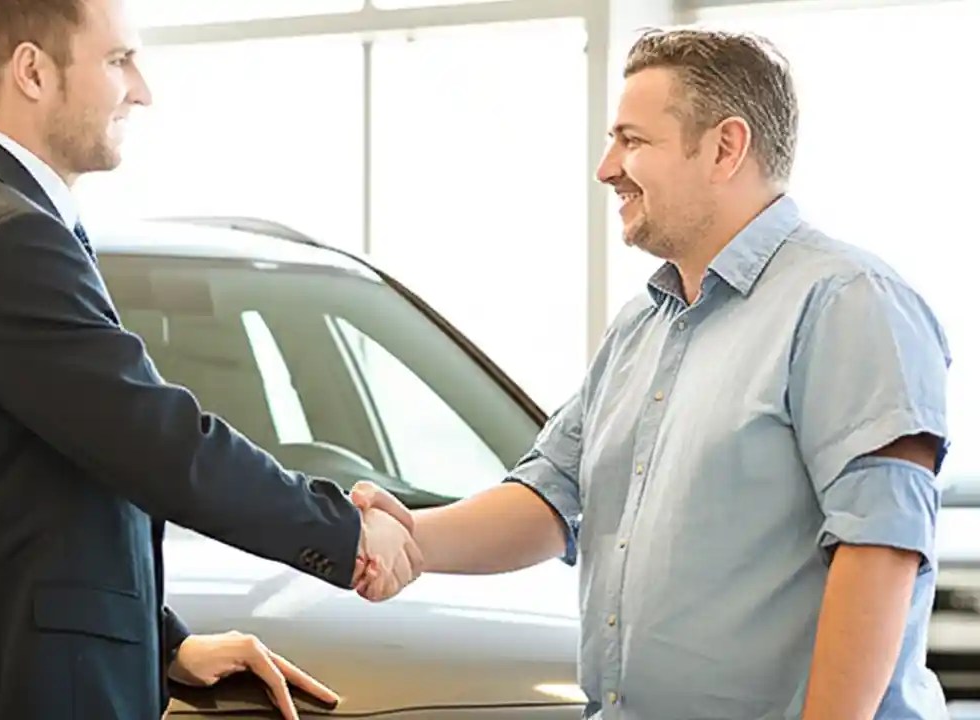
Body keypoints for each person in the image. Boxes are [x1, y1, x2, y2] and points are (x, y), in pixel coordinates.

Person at [354, 26, 951, 720]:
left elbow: (878, 547)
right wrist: (406, 539)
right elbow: (552, 497)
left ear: (725, 148)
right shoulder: (644, 325)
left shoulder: (846, 302)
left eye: (632, 140)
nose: (607, 167)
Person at [0, 0, 420, 718]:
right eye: (117, 60)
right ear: (32, 71)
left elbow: (33, 496)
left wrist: (164, 645)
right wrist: (344, 535)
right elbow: (158, 442)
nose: (142, 89)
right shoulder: (1, 240)